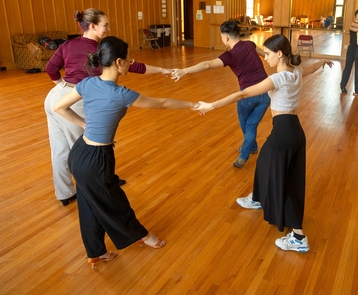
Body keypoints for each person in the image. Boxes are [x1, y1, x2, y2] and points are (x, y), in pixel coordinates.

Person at [53, 36, 198, 268]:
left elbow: (58, 106)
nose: (132, 63)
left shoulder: (87, 83)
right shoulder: (120, 94)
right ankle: (144, 237)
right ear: (119, 62)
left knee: (90, 204)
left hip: (80, 153)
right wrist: (193, 105)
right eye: (130, 59)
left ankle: (96, 252)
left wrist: (84, 125)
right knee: (116, 203)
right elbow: (163, 104)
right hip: (96, 160)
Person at [194, 34, 333, 253]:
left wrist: (212, 105)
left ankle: (299, 237)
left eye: (267, 54)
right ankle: (258, 198)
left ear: (279, 54)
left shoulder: (278, 79)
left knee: (281, 179)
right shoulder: (295, 71)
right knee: (265, 163)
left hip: (284, 132)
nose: (264, 57)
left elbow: (244, 94)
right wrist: (323, 62)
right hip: (294, 129)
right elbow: (311, 69)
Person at [45, 8, 171, 206]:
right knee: (87, 149)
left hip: (56, 98)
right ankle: (99, 187)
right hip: (75, 101)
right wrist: (163, 69)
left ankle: (65, 193)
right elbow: (132, 66)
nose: (108, 28)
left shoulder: (69, 44)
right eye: (105, 25)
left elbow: (50, 69)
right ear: (93, 26)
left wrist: (62, 86)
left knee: (60, 149)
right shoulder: (99, 50)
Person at [171, 20, 270, 168]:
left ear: (226, 38)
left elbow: (208, 64)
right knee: (252, 125)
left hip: (248, 95)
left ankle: (244, 155)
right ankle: (252, 147)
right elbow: (266, 55)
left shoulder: (230, 55)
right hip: (266, 92)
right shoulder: (250, 44)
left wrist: (184, 71)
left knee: (248, 126)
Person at [340, 9, 358, 95]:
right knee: (348, 67)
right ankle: (343, 85)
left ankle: (357, 90)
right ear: (357, 15)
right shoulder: (353, 24)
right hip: (352, 48)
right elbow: (352, 26)